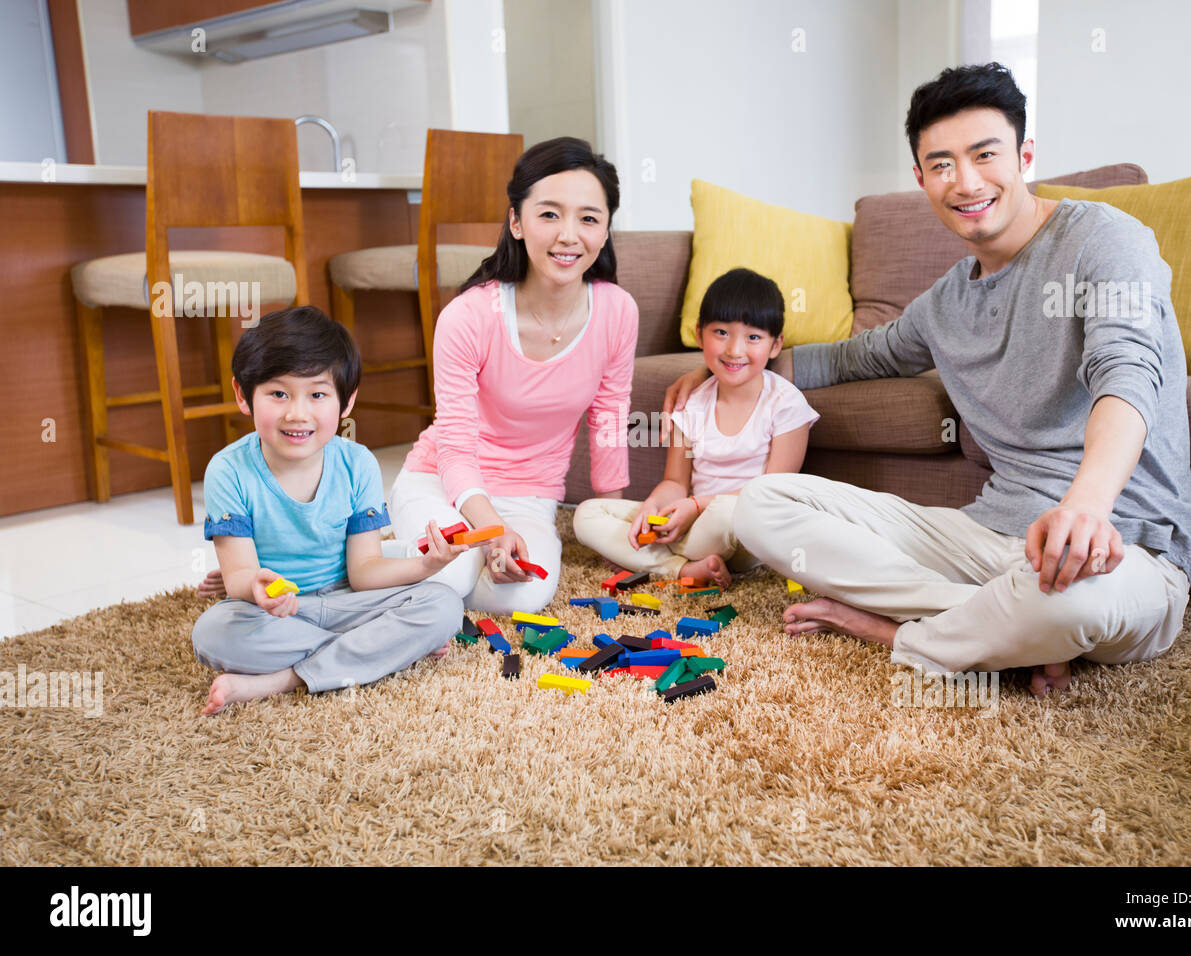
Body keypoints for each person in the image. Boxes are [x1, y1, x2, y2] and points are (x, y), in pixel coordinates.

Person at [662, 63, 1191, 695]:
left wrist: (1085, 506)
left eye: (985, 154)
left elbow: (1128, 369)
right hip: (981, 538)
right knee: (758, 506)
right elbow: (848, 358)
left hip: (1122, 548)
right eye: (942, 164)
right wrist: (724, 362)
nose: (966, 181)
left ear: (1025, 154)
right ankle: (998, 628)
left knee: (1070, 605)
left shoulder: (1106, 241)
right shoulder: (946, 302)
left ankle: (898, 631)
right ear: (921, 179)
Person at [387, 137, 637, 613]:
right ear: (516, 222)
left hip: (531, 496)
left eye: (588, 218)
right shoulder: (469, 316)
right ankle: (371, 559)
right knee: (454, 569)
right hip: (444, 481)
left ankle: (404, 565)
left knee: (522, 592)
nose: (569, 235)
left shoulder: (617, 311)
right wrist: (491, 529)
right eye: (549, 214)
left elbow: (608, 420)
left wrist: (614, 524)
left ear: (605, 231)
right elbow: (456, 447)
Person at [192, 307, 465, 716]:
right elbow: (238, 577)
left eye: (317, 395)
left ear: (346, 401)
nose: (297, 413)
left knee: (445, 605)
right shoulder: (227, 470)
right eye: (278, 393)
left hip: (347, 600)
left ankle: (283, 680)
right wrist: (255, 588)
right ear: (242, 395)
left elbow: (364, 571)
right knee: (212, 634)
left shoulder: (358, 463)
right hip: (280, 612)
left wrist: (427, 568)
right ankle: (382, 649)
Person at [573, 268, 818, 587]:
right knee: (586, 515)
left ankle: (656, 555)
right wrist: (654, 505)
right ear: (700, 333)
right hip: (695, 521)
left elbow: (771, 491)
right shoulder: (691, 403)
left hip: (745, 529)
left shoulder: (785, 403)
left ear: (775, 345)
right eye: (721, 333)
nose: (734, 350)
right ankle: (685, 569)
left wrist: (695, 506)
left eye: (753, 337)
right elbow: (676, 481)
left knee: (727, 513)